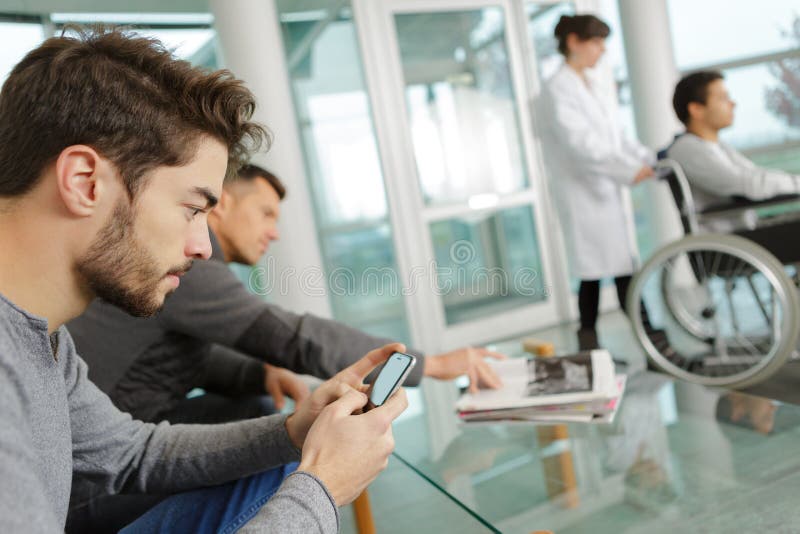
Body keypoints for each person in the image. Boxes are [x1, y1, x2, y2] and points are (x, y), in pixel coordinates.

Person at [0, 26, 407, 533]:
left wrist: (292, 432)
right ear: (85, 182)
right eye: (192, 208)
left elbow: (132, 453)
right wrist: (322, 489)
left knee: (280, 464)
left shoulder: (44, 337)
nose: (203, 246)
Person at [66, 163, 506, 428]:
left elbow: (172, 352)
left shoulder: (189, 271)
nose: (273, 232)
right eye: (265, 214)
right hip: (96, 470)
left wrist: (259, 374)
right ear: (221, 205)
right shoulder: (189, 265)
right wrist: (436, 365)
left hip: (116, 429)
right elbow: (294, 336)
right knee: (289, 432)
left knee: (262, 405)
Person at [539, 14, 655, 351]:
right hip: (583, 192)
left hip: (604, 190)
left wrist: (648, 157)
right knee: (598, 272)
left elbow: (614, 137)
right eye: (596, 42)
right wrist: (626, 171)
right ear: (573, 41)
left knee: (616, 268)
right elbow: (582, 145)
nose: (601, 51)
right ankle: (638, 340)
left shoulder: (592, 82)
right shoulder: (558, 88)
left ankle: (604, 343)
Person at [667, 71, 800, 219]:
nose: (733, 104)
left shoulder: (718, 146)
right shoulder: (687, 149)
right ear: (696, 109)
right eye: (723, 98)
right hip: (727, 238)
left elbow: (754, 175)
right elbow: (750, 185)